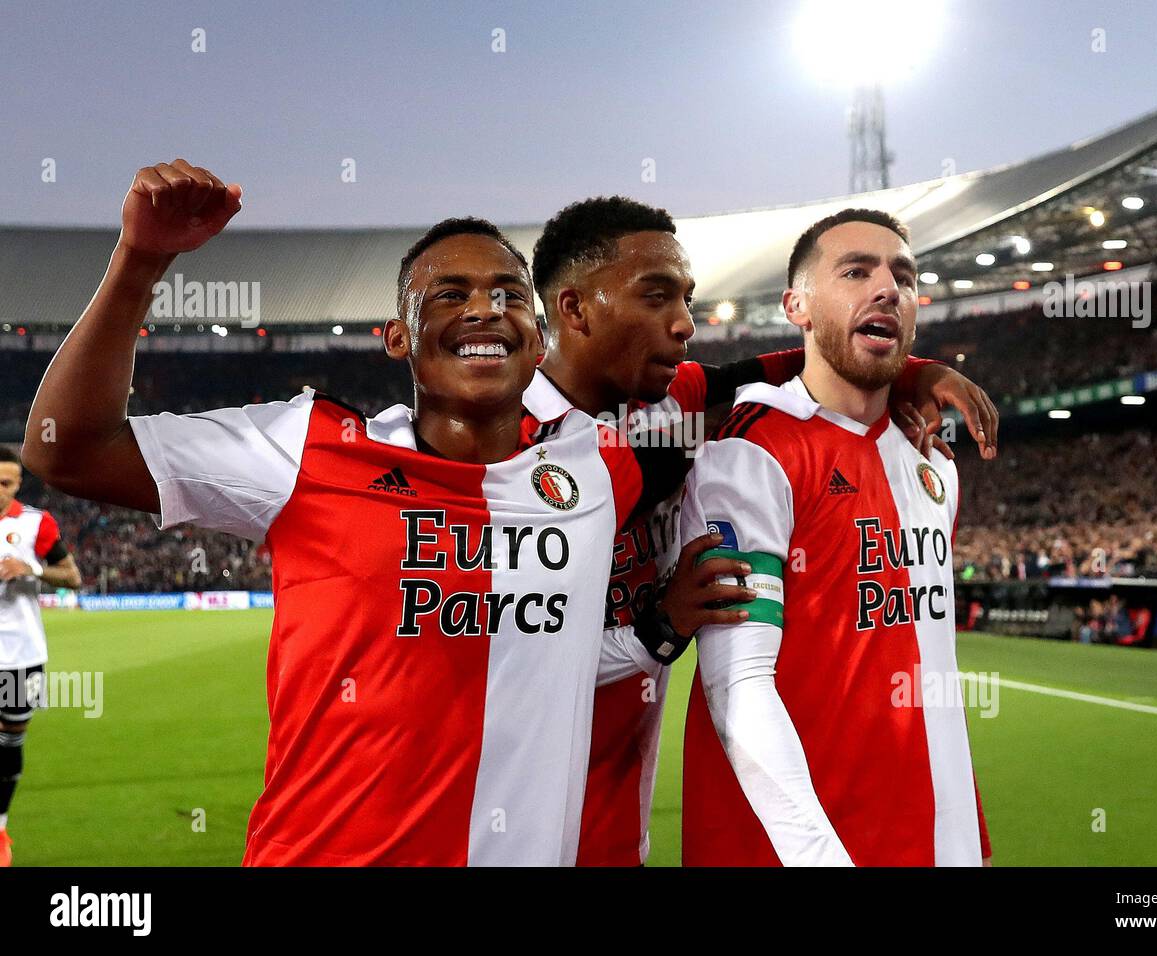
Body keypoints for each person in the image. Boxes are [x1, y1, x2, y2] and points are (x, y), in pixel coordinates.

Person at [22, 160, 681, 866]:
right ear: (398, 338)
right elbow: (67, 450)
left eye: (508, 294)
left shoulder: (594, 463)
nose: (485, 308)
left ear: (540, 338)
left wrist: (665, 628)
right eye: (450, 294)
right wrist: (140, 262)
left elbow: (743, 393)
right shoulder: (305, 449)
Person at [525, 196, 999, 865]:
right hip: (505, 806)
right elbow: (493, 657)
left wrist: (919, 369)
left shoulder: (679, 400)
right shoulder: (493, 453)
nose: (686, 325)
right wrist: (655, 632)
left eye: (686, 299)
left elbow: (789, 366)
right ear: (573, 309)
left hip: (615, 814)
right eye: (658, 297)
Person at [679, 208, 992, 866]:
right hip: (798, 850)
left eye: (904, 278)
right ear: (797, 305)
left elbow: (934, 669)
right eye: (855, 271)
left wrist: (969, 838)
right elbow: (738, 683)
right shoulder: (752, 450)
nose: (887, 288)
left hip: (934, 842)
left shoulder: (934, 461)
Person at [0, 445, 83, 866]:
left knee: (9, 740)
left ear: (17, 484)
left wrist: (30, 569)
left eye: (6, 483)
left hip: (21, 653)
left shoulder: (36, 524)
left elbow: (73, 577)